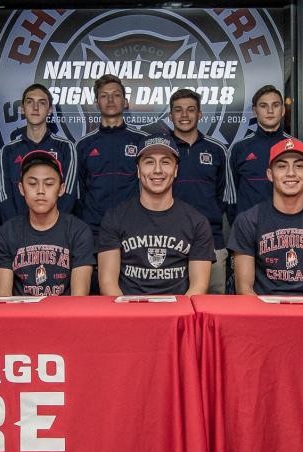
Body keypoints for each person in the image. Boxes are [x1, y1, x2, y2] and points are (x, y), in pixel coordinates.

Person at [228, 138, 303, 296]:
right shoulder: (248, 221)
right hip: (264, 313)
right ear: (270, 174)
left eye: (299, 166)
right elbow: (245, 290)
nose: (291, 173)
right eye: (282, 166)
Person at [96, 134, 214, 295]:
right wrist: (128, 318)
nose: (157, 170)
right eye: (149, 162)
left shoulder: (197, 222)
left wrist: (177, 318)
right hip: (130, 312)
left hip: (177, 314)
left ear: (176, 170)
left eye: (165, 162)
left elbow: (198, 287)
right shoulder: (114, 218)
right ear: (138, 170)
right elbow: (108, 284)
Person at [0, 150, 95, 296]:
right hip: (20, 316)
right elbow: (3, 298)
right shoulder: (7, 232)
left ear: (61, 189)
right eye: (32, 183)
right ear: (21, 188)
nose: (40, 191)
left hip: (64, 316)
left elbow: (79, 298)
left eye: (49, 184)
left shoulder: (78, 231)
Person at [167, 88, 232, 294]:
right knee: (171, 302)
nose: (184, 115)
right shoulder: (162, 148)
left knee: (212, 305)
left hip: (211, 240)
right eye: (178, 110)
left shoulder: (217, 149)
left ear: (200, 114)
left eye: (190, 110)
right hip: (168, 237)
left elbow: (225, 196)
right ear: (170, 115)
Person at [76, 74, 148, 236]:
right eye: (104, 96)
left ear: (125, 102)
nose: (110, 100)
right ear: (96, 103)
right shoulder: (84, 145)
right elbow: (79, 191)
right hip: (94, 228)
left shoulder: (141, 141)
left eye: (116, 95)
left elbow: (149, 185)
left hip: (133, 227)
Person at [0, 84, 77, 225]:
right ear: (22, 108)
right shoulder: (9, 150)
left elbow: (69, 192)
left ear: (50, 110)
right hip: (18, 230)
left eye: (42, 103)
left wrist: (53, 226)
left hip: (56, 229)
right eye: (30, 102)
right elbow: (4, 194)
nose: (35, 108)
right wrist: (15, 228)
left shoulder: (66, 147)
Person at [228, 85, 291, 219]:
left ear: (283, 110)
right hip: (250, 230)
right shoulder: (239, 148)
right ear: (255, 111)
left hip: (287, 227)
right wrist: (240, 225)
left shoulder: (296, 147)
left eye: (275, 105)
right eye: (263, 106)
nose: (270, 110)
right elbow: (231, 197)